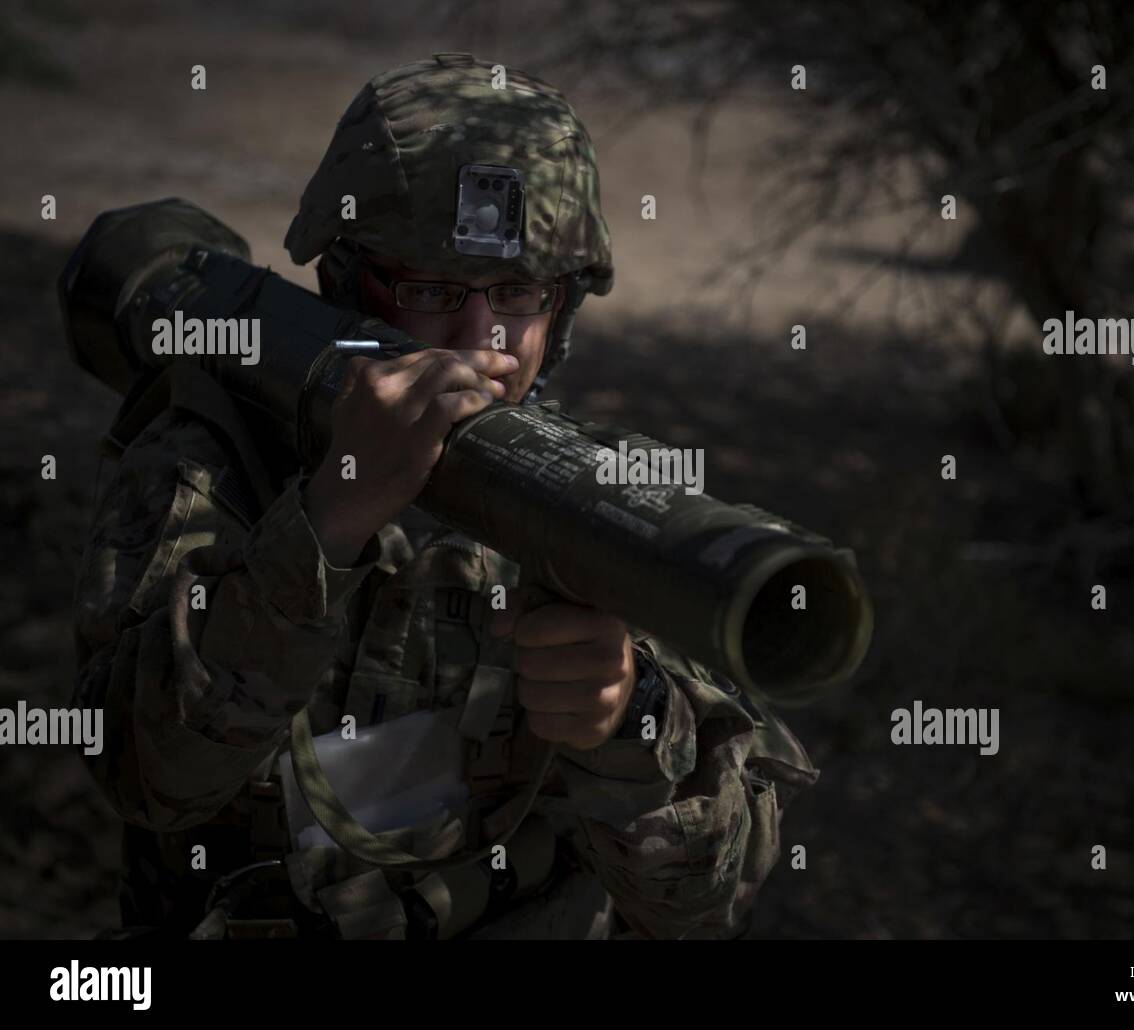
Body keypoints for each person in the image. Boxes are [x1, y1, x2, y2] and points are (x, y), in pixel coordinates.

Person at [72, 53, 817, 940]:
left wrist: (630, 720)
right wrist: (330, 522)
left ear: (563, 308)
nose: (480, 343)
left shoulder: (616, 509)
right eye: (431, 292)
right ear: (345, 284)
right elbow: (149, 776)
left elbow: (710, 903)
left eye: (516, 294)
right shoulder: (218, 457)